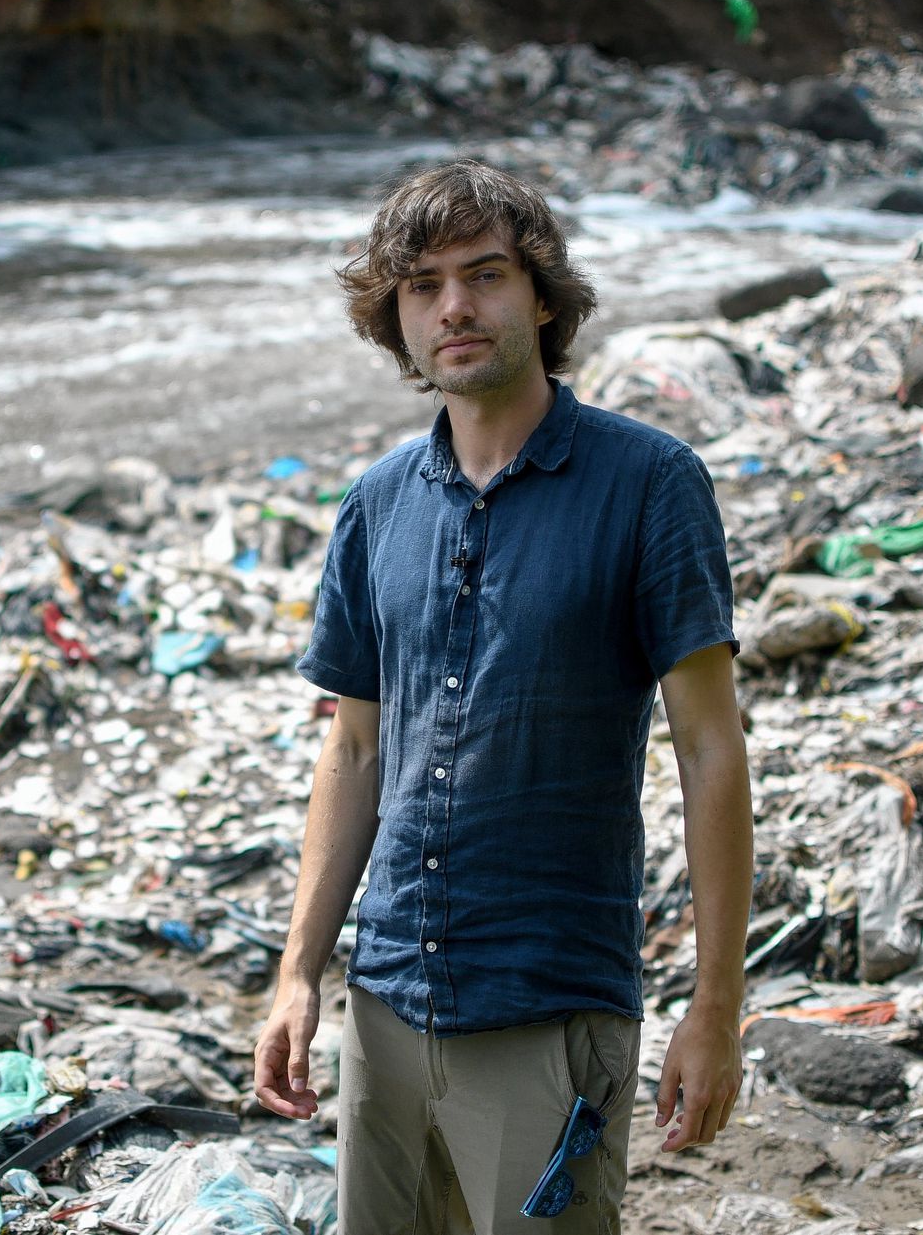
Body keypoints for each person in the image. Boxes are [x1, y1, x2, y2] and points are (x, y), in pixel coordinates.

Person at [252, 159, 754, 1233]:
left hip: (549, 1005)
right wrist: (298, 975)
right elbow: (354, 752)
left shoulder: (649, 484)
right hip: (385, 1002)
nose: (455, 308)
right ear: (395, 316)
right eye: (423, 285)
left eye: (484, 275)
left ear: (543, 296)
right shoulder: (377, 504)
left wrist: (717, 1007)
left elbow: (711, 750)